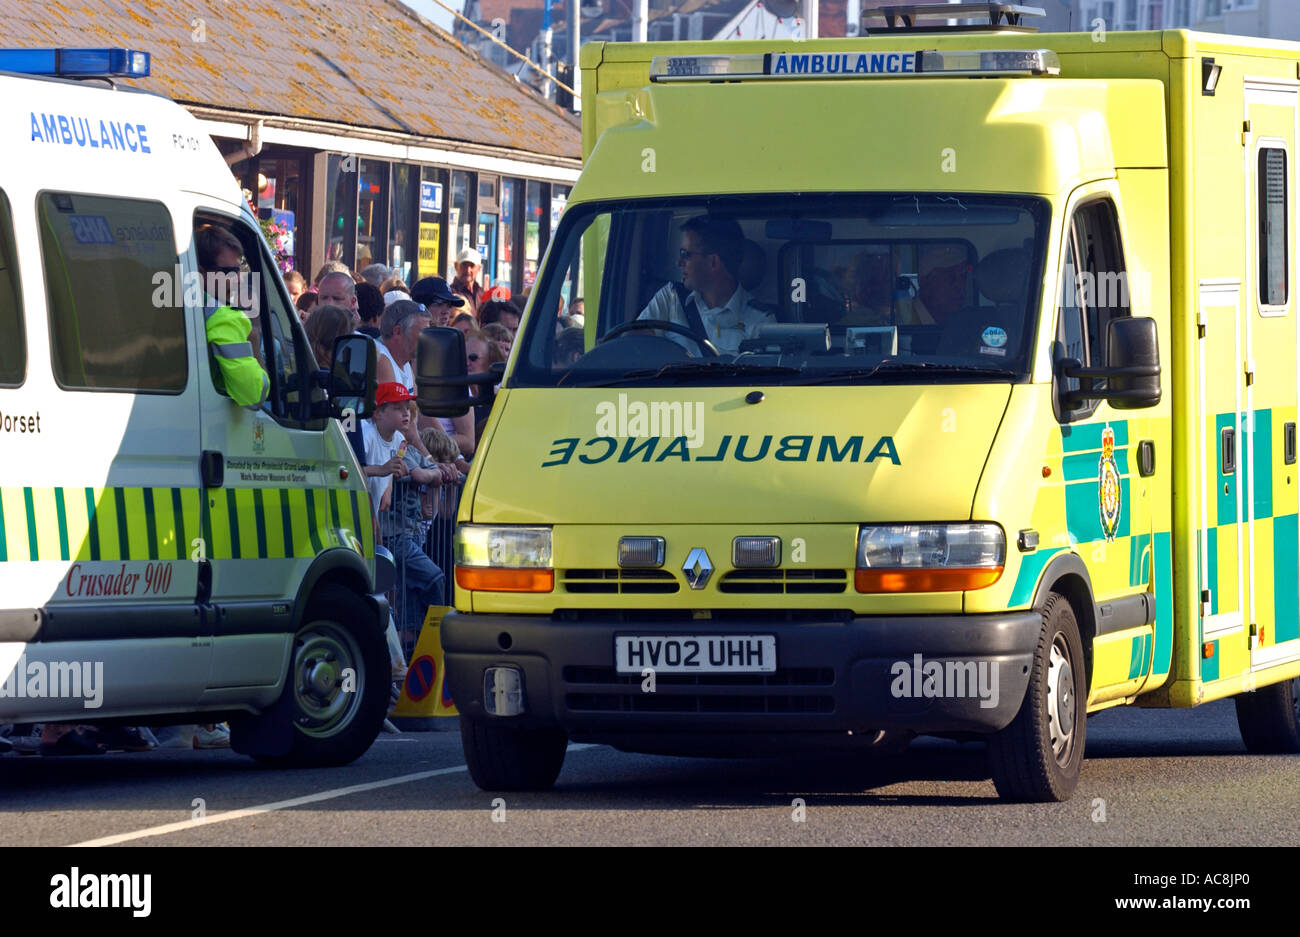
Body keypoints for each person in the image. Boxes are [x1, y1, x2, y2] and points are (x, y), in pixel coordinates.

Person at [364, 383, 457, 638]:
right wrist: (384, 473)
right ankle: (438, 636)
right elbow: (348, 470)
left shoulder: (398, 438)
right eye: (397, 408)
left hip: (385, 530)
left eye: (407, 408)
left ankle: (417, 648)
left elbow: (410, 467)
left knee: (408, 596)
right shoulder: (365, 433)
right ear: (378, 413)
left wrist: (389, 485)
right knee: (433, 578)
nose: (405, 414)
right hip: (376, 530)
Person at [638, 215, 773, 356]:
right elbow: (632, 348)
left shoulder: (760, 321)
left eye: (685, 254)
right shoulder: (671, 298)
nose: (678, 262)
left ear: (713, 262)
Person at [195, 224, 270, 408]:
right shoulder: (223, 317)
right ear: (201, 272)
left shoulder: (178, 301)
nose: (237, 280)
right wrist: (253, 344)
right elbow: (255, 395)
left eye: (238, 270)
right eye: (227, 272)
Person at [450, 247, 484, 314]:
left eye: (472, 266)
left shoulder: (481, 294)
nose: (468, 270)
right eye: (464, 265)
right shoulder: (450, 293)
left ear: (479, 268)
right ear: (456, 266)